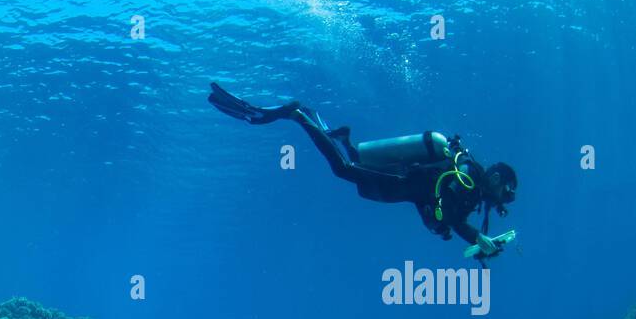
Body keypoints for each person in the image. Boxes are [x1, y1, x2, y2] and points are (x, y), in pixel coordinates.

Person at [209, 82, 518, 261]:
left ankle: (330, 129)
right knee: (343, 170)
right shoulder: (468, 174)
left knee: (354, 161)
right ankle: (298, 115)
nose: (505, 198)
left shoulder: (473, 186)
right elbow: (448, 208)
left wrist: (479, 243)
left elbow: (449, 216)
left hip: (405, 186)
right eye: (507, 190)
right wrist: (476, 236)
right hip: (404, 181)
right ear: (496, 178)